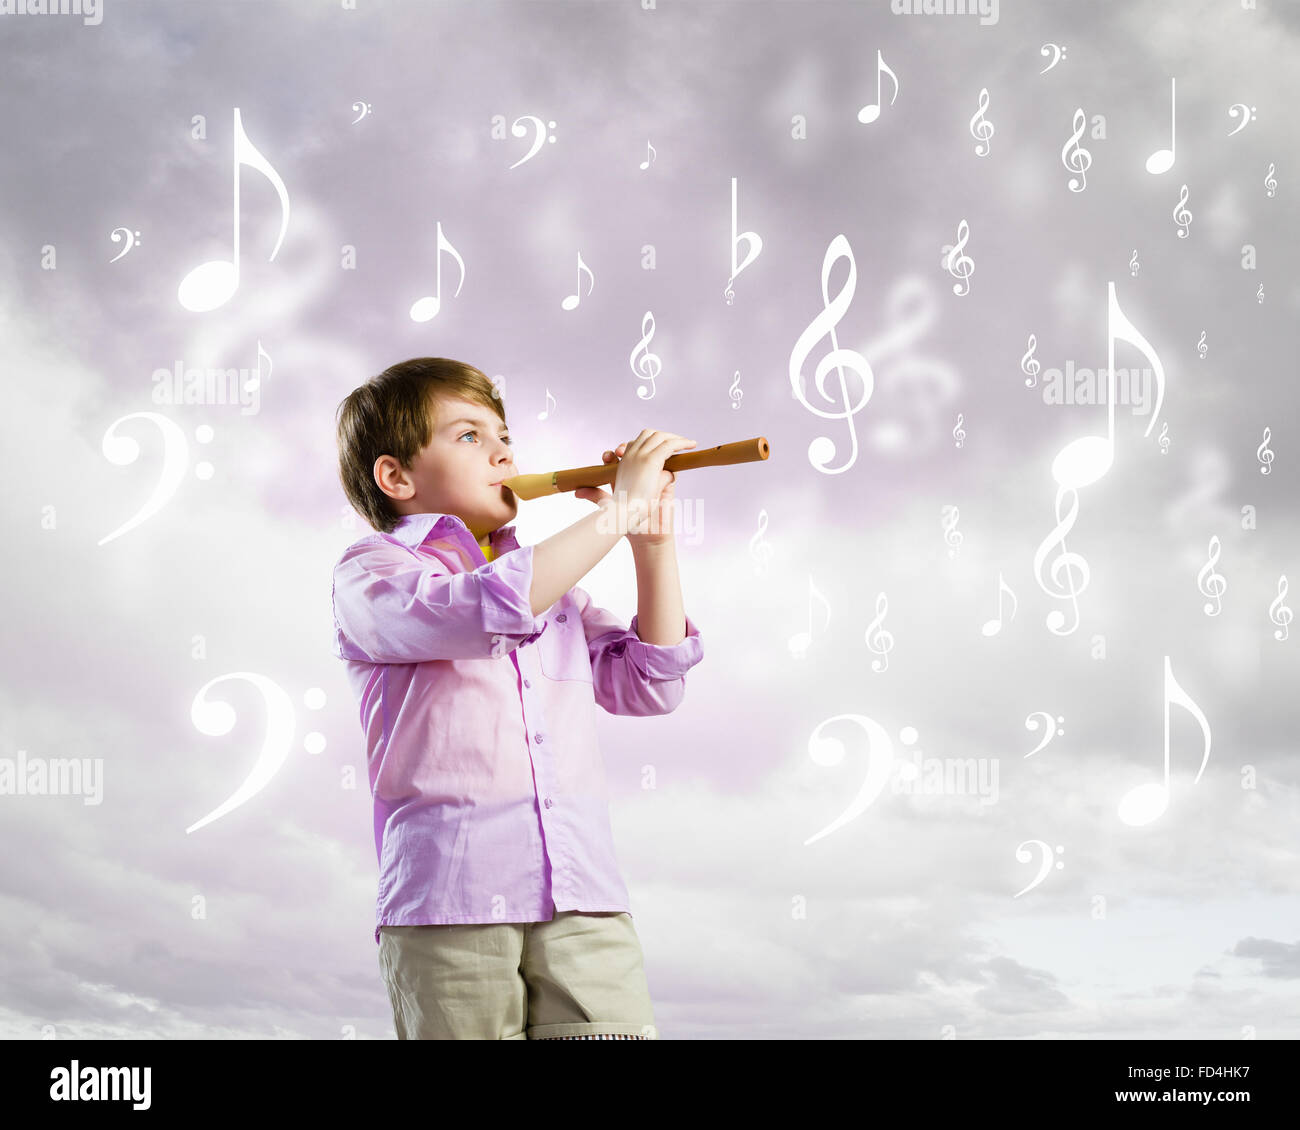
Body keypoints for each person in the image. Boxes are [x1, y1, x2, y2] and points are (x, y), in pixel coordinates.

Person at [331, 357, 703, 1039]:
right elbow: (484, 608)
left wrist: (650, 539)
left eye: (506, 436)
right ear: (397, 477)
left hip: (584, 894)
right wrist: (618, 511)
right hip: (450, 901)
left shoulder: (553, 589)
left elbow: (651, 684)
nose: (504, 451)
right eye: (470, 436)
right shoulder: (373, 575)